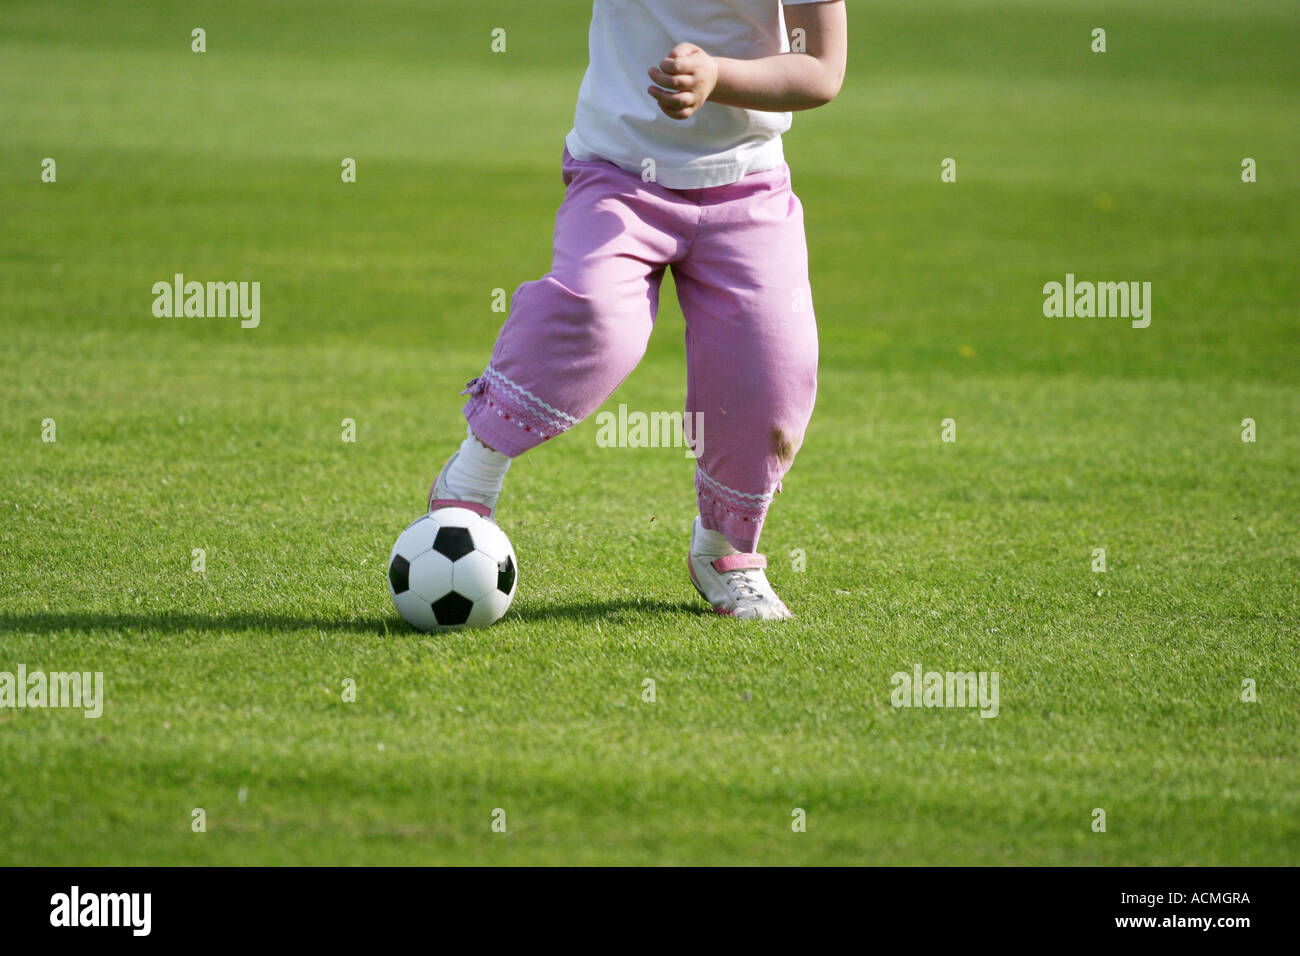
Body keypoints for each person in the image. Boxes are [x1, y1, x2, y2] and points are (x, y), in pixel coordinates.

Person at [431, 1, 848, 620]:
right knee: (593, 317)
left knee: (771, 371)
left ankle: (725, 548)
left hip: (750, 189)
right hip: (620, 176)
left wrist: (718, 76)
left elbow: (821, 69)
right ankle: (470, 480)